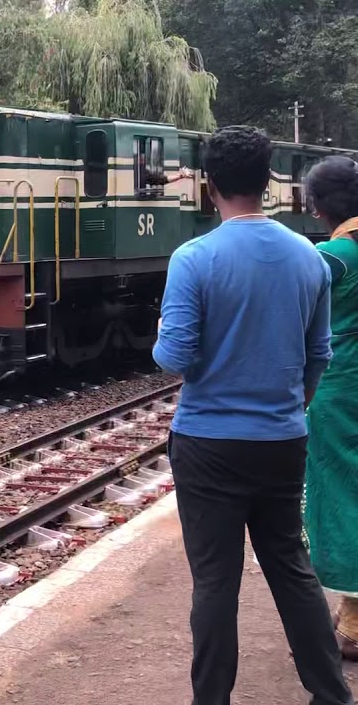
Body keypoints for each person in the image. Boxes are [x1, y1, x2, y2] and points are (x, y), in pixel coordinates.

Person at [153, 125, 353, 705]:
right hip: (282, 439)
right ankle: (332, 695)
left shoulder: (193, 258)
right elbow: (319, 353)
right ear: (268, 182)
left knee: (216, 581)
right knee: (291, 567)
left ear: (208, 185)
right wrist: (293, 407)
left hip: (207, 442)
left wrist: (164, 332)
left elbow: (174, 358)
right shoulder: (309, 258)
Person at [302, 155, 358, 660]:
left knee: (341, 491)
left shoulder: (333, 256)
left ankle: (356, 623)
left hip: (342, 388)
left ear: (316, 205)